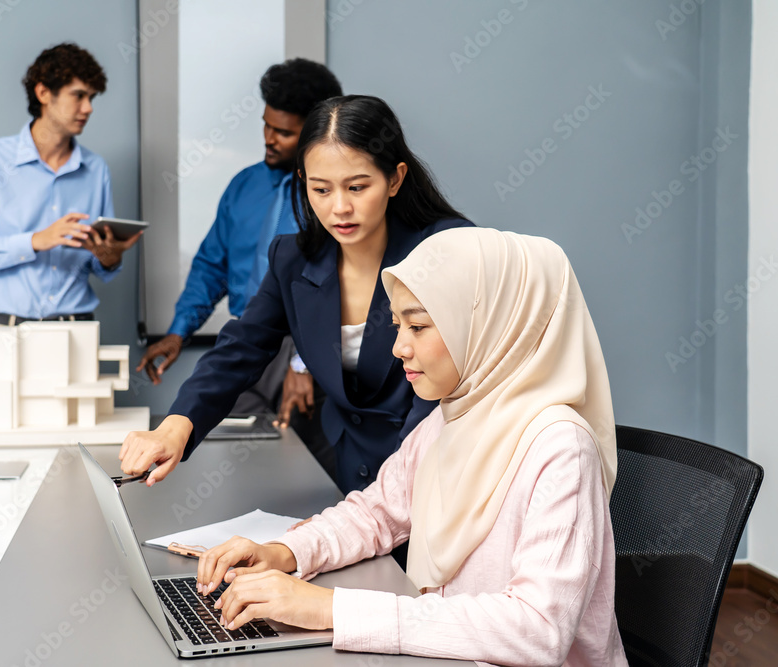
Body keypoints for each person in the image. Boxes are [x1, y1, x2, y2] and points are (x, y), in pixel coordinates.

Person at [193, 227, 628, 666]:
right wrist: (285, 552)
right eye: (398, 326)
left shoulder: (561, 448)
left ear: (489, 325)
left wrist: (330, 609)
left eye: (418, 327)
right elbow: (375, 513)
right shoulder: (448, 419)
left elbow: (538, 629)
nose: (399, 347)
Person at [120, 95, 472, 494]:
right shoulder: (293, 259)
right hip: (352, 473)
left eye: (357, 187)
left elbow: (441, 394)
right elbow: (241, 349)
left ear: (394, 178)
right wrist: (174, 427)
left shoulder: (447, 249)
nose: (340, 207)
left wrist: (378, 509)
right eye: (321, 189)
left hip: (436, 477)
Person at [136, 59, 343, 437]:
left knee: (305, 458)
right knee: (234, 446)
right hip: (248, 341)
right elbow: (211, 267)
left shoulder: (335, 198)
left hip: (309, 347)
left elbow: (342, 282)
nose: (269, 138)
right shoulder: (243, 187)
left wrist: (303, 365)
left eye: (283, 132)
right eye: (267, 125)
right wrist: (179, 331)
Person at [0, 43, 140, 412]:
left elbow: (102, 267)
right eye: (79, 95)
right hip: (0, 336)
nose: (88, 108)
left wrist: (109, 257)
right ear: (43, 93)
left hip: (75, 337)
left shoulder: (95, 169)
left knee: (76, 445)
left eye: (92, 97)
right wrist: (35, 240)